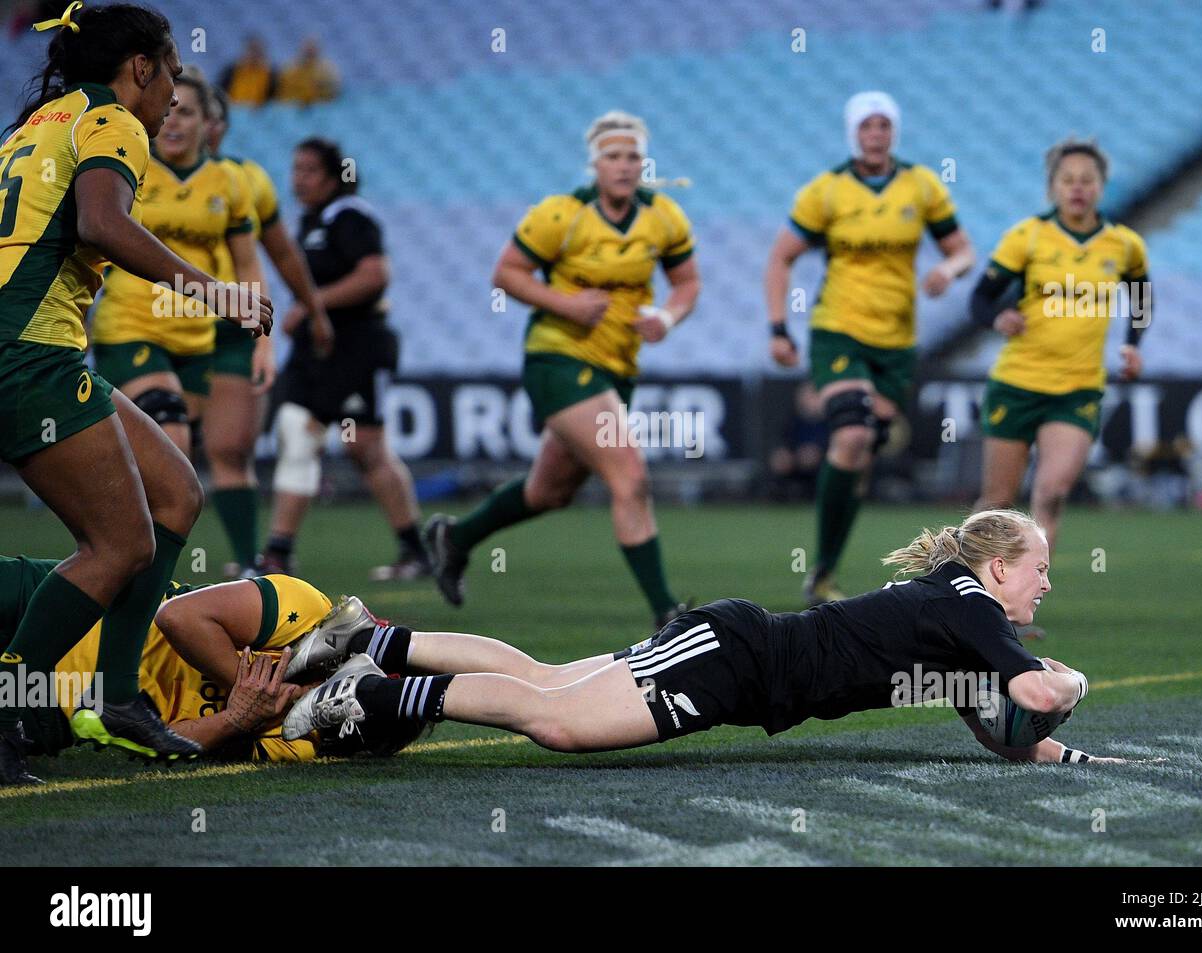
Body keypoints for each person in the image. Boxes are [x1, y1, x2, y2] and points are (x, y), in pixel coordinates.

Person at [287, 510, 1138, 766]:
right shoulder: (971, 607)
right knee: (557, 721)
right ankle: (365, 693)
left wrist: (1082, 762)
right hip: (736, 661)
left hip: (737, 656)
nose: (1047, 582)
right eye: (1040, 568)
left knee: (547, 681)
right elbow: (1029, 697)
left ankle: (376, 641)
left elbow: (999, 726)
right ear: (996, 571)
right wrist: (1073, 683)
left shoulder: (959, 612)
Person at [0, 2, 271, 785]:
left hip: (32, 349)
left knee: (176, 496)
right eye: (172, 77)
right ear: (141, 70)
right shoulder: (112, 120)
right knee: (119, 546)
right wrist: (215, 293)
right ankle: (12, 702)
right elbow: (101, 224)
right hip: (29, 352)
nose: (172, 96)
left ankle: (118, 697)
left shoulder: (36, 123)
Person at [425, 111, 701, 628]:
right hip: (557, 358)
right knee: (630, 475)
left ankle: (454, 537)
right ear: (594, 164)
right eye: (613, 157)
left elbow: (687, 283)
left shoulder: (663, 216)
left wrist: (667, 316)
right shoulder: (562, 214)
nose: (623, 166)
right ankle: (667, 613)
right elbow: (506, 272)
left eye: (633, 156)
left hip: (617, 367)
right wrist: (565, 304)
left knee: (548, 492)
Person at [765, 91, 975, 606]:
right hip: (838, 328)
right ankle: (821, 569)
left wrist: (947, 269)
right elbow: (780, 258)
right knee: (853, 432)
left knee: (857, 455)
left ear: (894, 133)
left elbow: (963, 249)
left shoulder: (921, 186)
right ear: (853, 133)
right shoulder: (827, 192)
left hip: (896, 344)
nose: (876, 134)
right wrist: (778, 327)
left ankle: (823, 573)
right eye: (867, 126)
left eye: (884, 126)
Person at [0, 555, 420, 776]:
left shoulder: (302, 739)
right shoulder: (307, 612)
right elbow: (177, 617)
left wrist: (235, 721)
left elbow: (157, 744)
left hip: (55, 708)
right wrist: (244, 682)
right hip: (58, 604)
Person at [969, 138, 1151, 558]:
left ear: (1101, 187)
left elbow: (1141, 299)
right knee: (996, 504)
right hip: (1016, 383)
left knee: (1052, 492)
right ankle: (973, 599)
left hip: (1077, 389)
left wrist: (1132, 345)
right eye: (1067, 179)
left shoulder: (1123, 245)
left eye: (1087, 179)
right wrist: (999, 318)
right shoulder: (1027, 237)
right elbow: (980, 298)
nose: (1077, 188)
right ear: (1052, 187)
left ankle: (1024, 605)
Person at [261, 137, 428, 582]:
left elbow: (375, 276)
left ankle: (417, 550)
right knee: (297, 432)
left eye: (309, 171)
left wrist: (314, 304)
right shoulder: (309, 221)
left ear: (335, 177)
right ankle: (277, 554)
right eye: (295, 170)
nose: (298, 180)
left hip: (357, 344)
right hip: (318, 347)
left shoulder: (350, 216)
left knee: (364, 446)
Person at [90, 70, 264, 461]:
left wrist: (263, 341)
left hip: (197, 337)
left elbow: (248, 264)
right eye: (169, 110)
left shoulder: (230, 182)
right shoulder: (129, 167)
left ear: (208, 123)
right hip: (131, 326)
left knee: (172, 463)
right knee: (170, 434)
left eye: (187, 113)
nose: (173, 121)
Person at [205, 86, 331, 579]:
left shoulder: (246, 179)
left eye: (210, 116)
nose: (196, 126)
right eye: (184, 111)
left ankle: (247, 564)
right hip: (154, 327)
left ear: (221, 125)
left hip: (228, 329)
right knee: (162, 449)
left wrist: (312, 308)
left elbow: (280, 253)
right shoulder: (138, 171)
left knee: (231, 449)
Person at [273, 36, 340, 107]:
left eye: (312, 49)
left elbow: (334, 92)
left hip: (319, 107)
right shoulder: (290, 70)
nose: (310, 52)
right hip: (293, 107)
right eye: (308, 50)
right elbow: (282, 92)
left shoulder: (327, 70)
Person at [219, 35, 275, 108]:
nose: (254, 55)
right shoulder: (231, 72)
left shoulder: (271, 76)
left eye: (258, 51)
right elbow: (220, 93)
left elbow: (272, 100)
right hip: (233, 110)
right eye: (252, 50)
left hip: (259, 114)